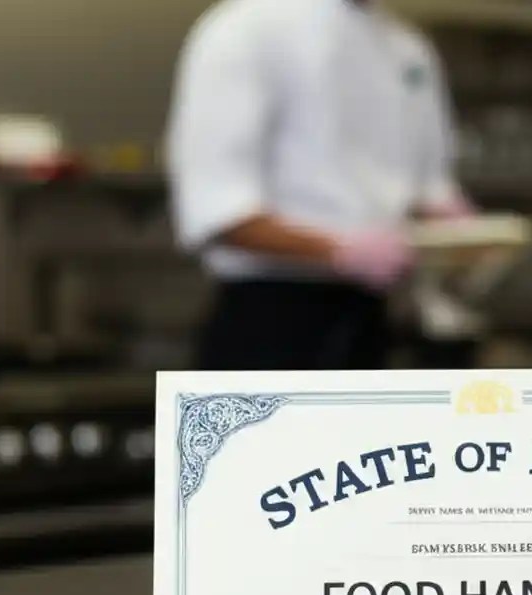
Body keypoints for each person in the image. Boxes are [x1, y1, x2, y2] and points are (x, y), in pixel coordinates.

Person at [165, 0, 471, 371]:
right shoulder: (244, 29)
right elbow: (216, 209)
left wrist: (452, 222)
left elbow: (429, 182)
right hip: (268, 320)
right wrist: (339, 251)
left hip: (372, 316)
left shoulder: (407, 46)